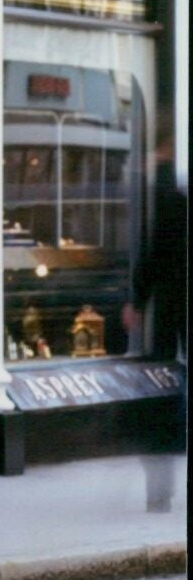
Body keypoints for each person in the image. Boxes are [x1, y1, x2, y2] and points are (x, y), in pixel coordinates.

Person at [124, 127, 186, 513]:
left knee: (165, 393)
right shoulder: (175, 196)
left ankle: (159, 492)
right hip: (173, 305)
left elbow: (157, 249)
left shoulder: (174, 198)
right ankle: (159, 490)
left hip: (172, 305)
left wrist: (139, 300)